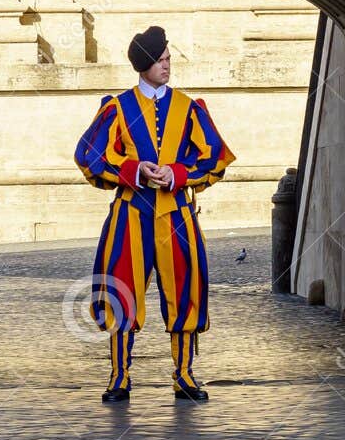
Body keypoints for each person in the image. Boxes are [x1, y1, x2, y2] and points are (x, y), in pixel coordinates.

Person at [74, 26, 234, 404]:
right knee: (121, 289)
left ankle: (184, 375)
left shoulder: (189, 107)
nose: (168, 66)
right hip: (131, 214)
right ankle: (119, 376)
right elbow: (89, 155)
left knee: (185, 290)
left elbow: (215, 156)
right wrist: (133, 170)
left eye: (168, 59)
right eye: (161, 60)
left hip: (177, 212)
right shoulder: (118, 107)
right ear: (144, 65)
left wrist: (177, 174)